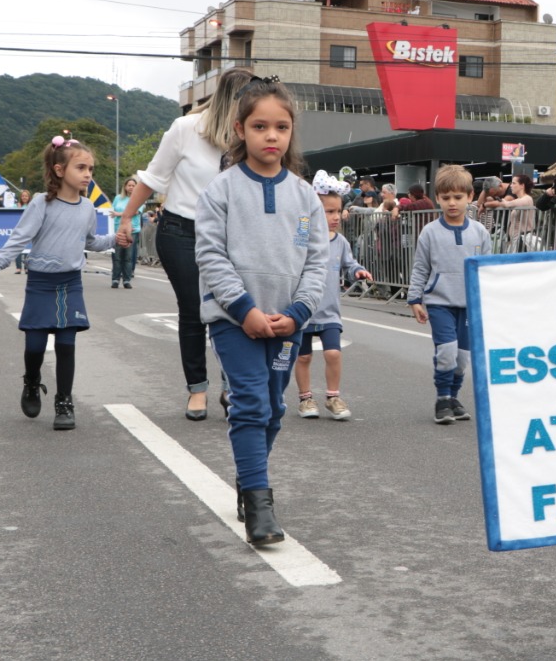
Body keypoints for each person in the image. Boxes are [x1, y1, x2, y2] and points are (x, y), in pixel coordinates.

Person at [195, 79, 327, 546]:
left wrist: (299, 311)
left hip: (288, 323)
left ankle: (247, 481)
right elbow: (210, 256)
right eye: (260, 126)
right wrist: (244, 309)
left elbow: (317, 260)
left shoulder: (306, 195)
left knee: (273, 408)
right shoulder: (221, 191)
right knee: (250, 403)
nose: (271, 136)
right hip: (234, 321)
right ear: (239, 129)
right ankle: (259, 504)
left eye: (281, 127)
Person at [115, 66, 255, 420]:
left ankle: (232, 387)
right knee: (194, 310)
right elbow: (153, 177)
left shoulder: (250, 132)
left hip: (231, 234)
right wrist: (128, 216)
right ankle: (197, 389)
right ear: (230, 101)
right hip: (181, 230)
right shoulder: (185, 129)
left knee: (234, 311)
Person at [0, 136, 116, 431]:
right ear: (59, 170)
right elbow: (19, 239)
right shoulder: (42, 203)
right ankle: (32, 382)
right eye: (81, 167)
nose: (88, 175)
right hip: (41, 283)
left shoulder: (87, 208)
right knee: (35, 346)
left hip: (71, 283)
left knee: (67, 344)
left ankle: (64, 401)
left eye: (91, 169)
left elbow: (92, 242)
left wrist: (115, 240)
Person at [407, 164, 492, 425]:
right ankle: (442, 398)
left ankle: (454, 397)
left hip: (469, 305)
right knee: (447, 351)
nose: (452, 203)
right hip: (439, 303)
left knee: (462, 358)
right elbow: (421, 266)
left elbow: (487, 270)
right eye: (446, 198)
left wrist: (490, 301)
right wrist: (415, 299)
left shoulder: (480, 232)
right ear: (438, 199)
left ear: (469, 197)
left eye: (458, 197)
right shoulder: (430, 232)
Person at [295, 171, 373, 421]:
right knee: (303, 355)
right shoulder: (302, 239)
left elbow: (349, 265)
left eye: (338, 211)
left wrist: (358, 271)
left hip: (329, 311)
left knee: (333, 353)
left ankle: (332, 397)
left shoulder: (340, 242)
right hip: (303, 310)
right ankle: (306, 399)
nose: (336, 217)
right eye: (329, 212)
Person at [110, 177, 144, 289]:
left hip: (132, 230)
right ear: (125, 187)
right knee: (117, 256)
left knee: (128, 257)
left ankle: (126, 280)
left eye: (133, 185)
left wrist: (119, 214)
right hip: (117, 230)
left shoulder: (139, 198)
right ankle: (115, 279)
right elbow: (111, 211)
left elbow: (135, 212)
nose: (131, 187)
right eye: (129, 185)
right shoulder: (118, 198)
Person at [14, 188, 33, 274]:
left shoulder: (32, 206)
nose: (24, 197)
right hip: (19, 229)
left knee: (27, 249)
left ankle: (26, 267)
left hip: (29, 228)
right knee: (18, 248)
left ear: (29, 197)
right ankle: (18, 268)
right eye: (23, 196)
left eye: (26, 196)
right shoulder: (16, 206)